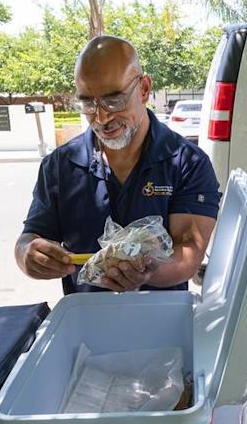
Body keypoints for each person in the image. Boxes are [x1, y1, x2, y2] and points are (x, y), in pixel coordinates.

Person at [15, 36, 220, 293]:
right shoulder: (60, 165)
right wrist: (28, 255)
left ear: (144, 89)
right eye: (88, 103)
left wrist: (148, 272)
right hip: (85, 313)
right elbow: (31, 236)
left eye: (114, 100)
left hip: (161, 312)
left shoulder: (187, 163)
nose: (102, 117)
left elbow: (189, 251)